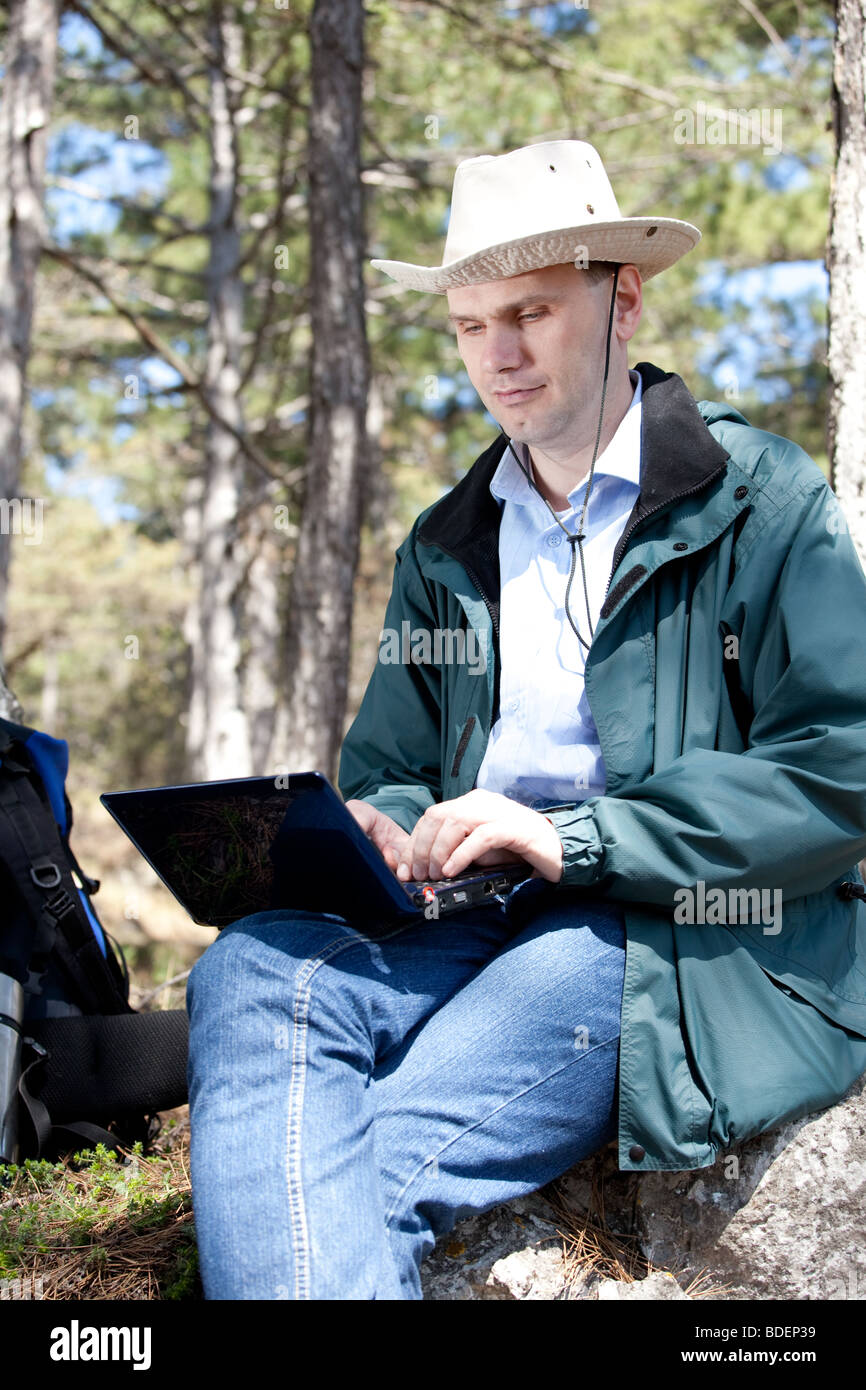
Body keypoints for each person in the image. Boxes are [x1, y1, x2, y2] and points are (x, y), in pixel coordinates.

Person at [186, 140, 866, 1301]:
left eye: (531, 312)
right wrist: (382, 823)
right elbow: (395, 762)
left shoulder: (759, 496)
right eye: (467, 324)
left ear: (622, 298)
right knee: (251, 968)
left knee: (362, 1158)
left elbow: (837, 768)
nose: (496, 356)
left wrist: (578, 839)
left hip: (651, 922)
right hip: (462, 905)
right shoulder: (446, 537)